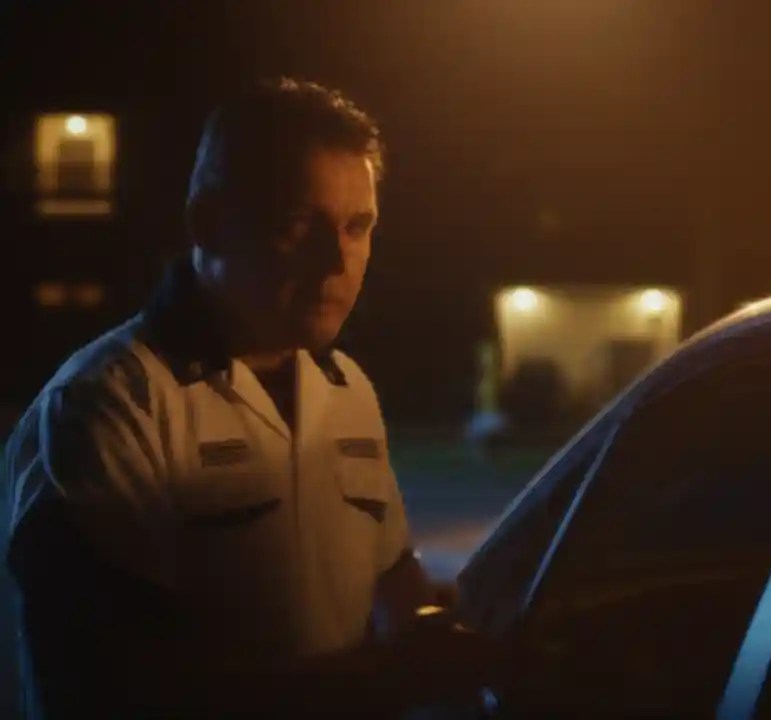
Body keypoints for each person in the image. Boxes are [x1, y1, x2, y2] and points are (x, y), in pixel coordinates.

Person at [2, 78, 493, 718]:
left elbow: (397, 591)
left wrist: (466, 631)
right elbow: (110, 687)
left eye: (358, 226)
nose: (336, 260)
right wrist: (382, 684)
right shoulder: (109, 408)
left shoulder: (347, 389)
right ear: (206, 223)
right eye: (299, 225)